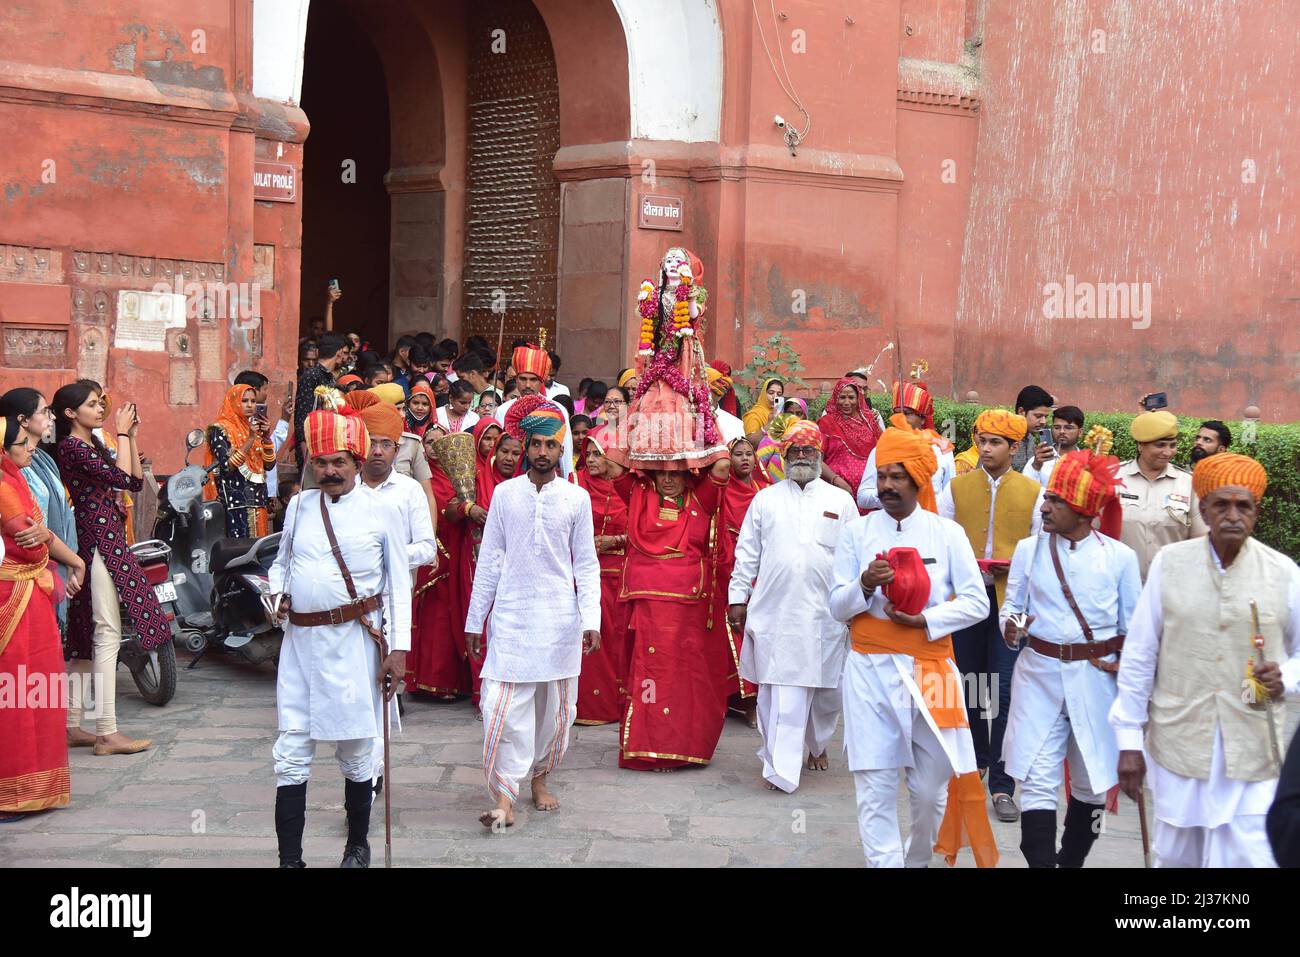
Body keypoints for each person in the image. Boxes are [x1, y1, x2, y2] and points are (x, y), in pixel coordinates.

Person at [1112, 453, 1299, 867]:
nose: (1233, 515)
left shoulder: (1283, 572)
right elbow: (1141, 653)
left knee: (1252, 855)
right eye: (1222, 505)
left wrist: (1285, 676)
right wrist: (1127, 740)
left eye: (1243, 506)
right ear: (1203, 510)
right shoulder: (1170, 564)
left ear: (1257, 512)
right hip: (1180, 741)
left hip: (1254, 744)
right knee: (1178, 854)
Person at [829, 426, 997, 867]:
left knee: (930, 789)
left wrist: (927, 620)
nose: (886, 485)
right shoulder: (855, 533)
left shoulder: (947, 533)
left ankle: (919, 859)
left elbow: (977, 602)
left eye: (897, 476)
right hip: (868, 670)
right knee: (876, 783)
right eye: (882, 476)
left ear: (919, 479)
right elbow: (835, 605)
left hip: (932, 669)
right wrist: (864, 585)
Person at [268, 406, 410, 868]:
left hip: (354, 645)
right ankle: (291, 861)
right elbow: (280, 564)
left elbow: (398, 585)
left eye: (339, 462)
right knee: (290, 751)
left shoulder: (381, 509)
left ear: (356, 461)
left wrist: (400, 650)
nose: (329, 471)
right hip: (299, 649)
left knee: (356, 750)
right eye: (321, 462)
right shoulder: (298, 506)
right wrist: (278, 594)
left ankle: (357, 847)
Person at [999, 451, 1141, 867]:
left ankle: (1071, 861)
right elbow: (1014, 607)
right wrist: (1014, 626)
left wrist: (1135, 703)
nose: (1043, 507)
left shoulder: (1119, 558)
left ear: (1081, 511)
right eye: (1046, 498)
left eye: (1054, 501)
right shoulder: (1029, 550)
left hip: (1095, 683)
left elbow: (1132, 632)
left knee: (1091, 785)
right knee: (1038, 781)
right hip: (1037, 678)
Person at [464, 396, 600, 828]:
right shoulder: (505, 495)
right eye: (536, 444)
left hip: (560, 620)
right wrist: (475, 619)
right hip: (512, 617)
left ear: (563, 451)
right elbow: (490, 560)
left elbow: (586, 564)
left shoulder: (577, 500)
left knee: (555, 712)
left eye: (551, 446)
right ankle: (504, 796)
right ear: (526, 447)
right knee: (501, 709)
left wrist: (591, 618)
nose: (542, 452)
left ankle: (540, 779)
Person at [728, 420, 855, 792]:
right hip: (775, 610)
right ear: (783, 456)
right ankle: (779, 766)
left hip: (825, 613)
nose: (801, 457)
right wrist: (738, 597)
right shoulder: (765, 499)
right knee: (777, 691)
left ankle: (816, 744)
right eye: (794, 451)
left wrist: (855, 605)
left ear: (819, 456)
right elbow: (747, 553)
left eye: (808, 451)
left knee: (826, 693)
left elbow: (853, 556)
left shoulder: (840, 501)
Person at [939, 408, 1044, 822]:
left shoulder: (1032, 491)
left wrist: (1013, 565)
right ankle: (975, 765)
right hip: (965, 603)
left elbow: (1039, 548)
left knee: (1002, 692)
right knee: (968, 688)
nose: (985, 448)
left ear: (1014, 447)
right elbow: (944, 539)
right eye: (981, 440)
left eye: (995, 442)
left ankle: (1002, 784)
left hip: (1009, 604)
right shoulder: (957, 488)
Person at [54, 382, 167, 755]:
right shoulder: (72, 447)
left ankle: (72, 725)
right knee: (107, 632)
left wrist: (129, 437)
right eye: (91, 404)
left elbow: (133, 482)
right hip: (97, 541)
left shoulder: (93, 444)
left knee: (88, 637)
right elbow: (120, 480)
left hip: (105, 538)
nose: (100, 408)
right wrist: (120, 432)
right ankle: (106, 731)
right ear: (70, 413)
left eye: (101, 402)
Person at [616, 457, 731, 770]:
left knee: (683, 677)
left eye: (675, 473)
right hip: (649, 603)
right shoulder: (640, 495)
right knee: (651, 674)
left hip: (689, 606)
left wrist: (701, 426)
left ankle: (681, 747)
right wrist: (643, 433)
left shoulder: (700, 496)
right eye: (661, 473)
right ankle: (650, 748)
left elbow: (722, 466)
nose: (668, 480)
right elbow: (612, 465)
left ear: (688, 473)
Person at [357, 399, 437, 790]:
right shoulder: (343, 487)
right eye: (371, 442)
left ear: (397, 450)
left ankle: (371, 773)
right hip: (346, 606)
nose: (377, 450)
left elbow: (426, 547)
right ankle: (360, 767)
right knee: (355, 690)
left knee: (379, 690)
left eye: (385, 444)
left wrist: (383, 556)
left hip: (389, 604)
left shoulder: (407, 492)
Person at [0, 416, 76, 818]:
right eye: (21, 443)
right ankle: (16, 790)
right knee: (21, 693)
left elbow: (35, 537)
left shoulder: (16, 482)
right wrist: (43, 543)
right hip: (17, 597)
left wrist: (45, 540)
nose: (30, 446)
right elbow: (28, 545)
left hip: (27, 594)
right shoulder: (5, 488)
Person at [0, 389, 80, 630]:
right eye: (44, 411)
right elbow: (30, 529)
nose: (52, 417)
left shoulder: (43, 460)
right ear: (23, 420)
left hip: (52, 561)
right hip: (25, 569)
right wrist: (73, 560)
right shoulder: (12, 469)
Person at [571, 425, 631, 725]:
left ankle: (610, 706)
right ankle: (582, 707)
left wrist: (614, 541)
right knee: (584, 635)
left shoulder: (630, 488)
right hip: (582, 574)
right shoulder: (574, 483)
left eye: (599, 453)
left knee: (613, 639)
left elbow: (644, 531)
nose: (591, 459)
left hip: (618, 574)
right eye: (588, 453)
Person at [406, 425, 471, 700]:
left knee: (450, 616)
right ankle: (422, 680)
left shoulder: (458, 476)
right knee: (429, 615)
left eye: (438, 441)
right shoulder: (421, 479)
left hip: (455, 551)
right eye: (428, 442)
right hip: (429, 552)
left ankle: (449, 682)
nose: (432, 447)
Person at [709, 436, 771, 725]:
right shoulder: (723, 491)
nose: (745, 459)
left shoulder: (765, 491)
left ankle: (759, 697)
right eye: (738, 454)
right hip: (731, 565)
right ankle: (743, 699)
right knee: (735, 631)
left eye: (749, 454)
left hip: (763, 567)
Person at [1118, 410, 1208, 580]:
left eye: (1172, 445)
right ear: (1140, 445)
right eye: (1160, 445)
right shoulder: (1114, 478)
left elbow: (1201, 542)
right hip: (1122, 586)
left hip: (1171, 587)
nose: (1167, 452)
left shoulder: (1189, 484)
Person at [856, 381, 955, 510]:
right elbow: (863, 498)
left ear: (923, 419)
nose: (900, 418)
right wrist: (891, 493)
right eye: (897, 413)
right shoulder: (881, 449)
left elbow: (949, 496)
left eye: (907, 413)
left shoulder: (942, 450)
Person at [206, 384, 276, 538]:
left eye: (253, 401)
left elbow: (269, 465)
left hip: (258, 501)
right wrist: (251, 438)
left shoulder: (253, 428)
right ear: (234, 401)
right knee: (239, 553)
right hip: (234, 504)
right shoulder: (219, 429)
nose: (250, 405)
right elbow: (227, 466)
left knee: (259, 551)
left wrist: (266, 437)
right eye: (244, 401)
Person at [495, 342, 574, 476]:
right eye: (523, 379)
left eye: (533, 379)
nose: (527, 385)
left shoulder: (557, 409)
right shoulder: (503, 410)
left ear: (542, 381)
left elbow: (565, 456)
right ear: (516, 379)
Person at [818, 377, 885, 497]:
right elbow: (817, 459)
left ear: (858, 398)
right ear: (835, 398)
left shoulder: (869, 420)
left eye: (851, 397)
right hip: (837, 492)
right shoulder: (826, 423)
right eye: (842, 397)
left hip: (869, 492)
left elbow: (884, 450)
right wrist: (836, 480)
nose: (846, 402)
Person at [293, 331, 348, 469]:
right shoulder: (312, 375)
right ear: (340, 353)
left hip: (328, 443)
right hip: (312, 448)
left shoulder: (329, 377)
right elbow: (303, 417)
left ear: (318, 351)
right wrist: (306, 451)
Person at [1022, 404, 1083, 489]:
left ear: (1080, 432)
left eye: (1068, 428)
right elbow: (1025, 490)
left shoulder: (1087, 463)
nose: (1062, 431)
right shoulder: (1038, 461)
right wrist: (1036, 467)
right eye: (1057, 427)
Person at [1010, 385, 1055, 472]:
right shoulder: (1003, 439)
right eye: (1038, 416)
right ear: (1021, 412)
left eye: (1045, 417)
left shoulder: (1031, 439)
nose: (1043, 421)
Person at [705, 368, 745, 444]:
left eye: (705, 391)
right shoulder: (685, 419)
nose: (699, 395)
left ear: (718, 395)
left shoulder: (735, 424)